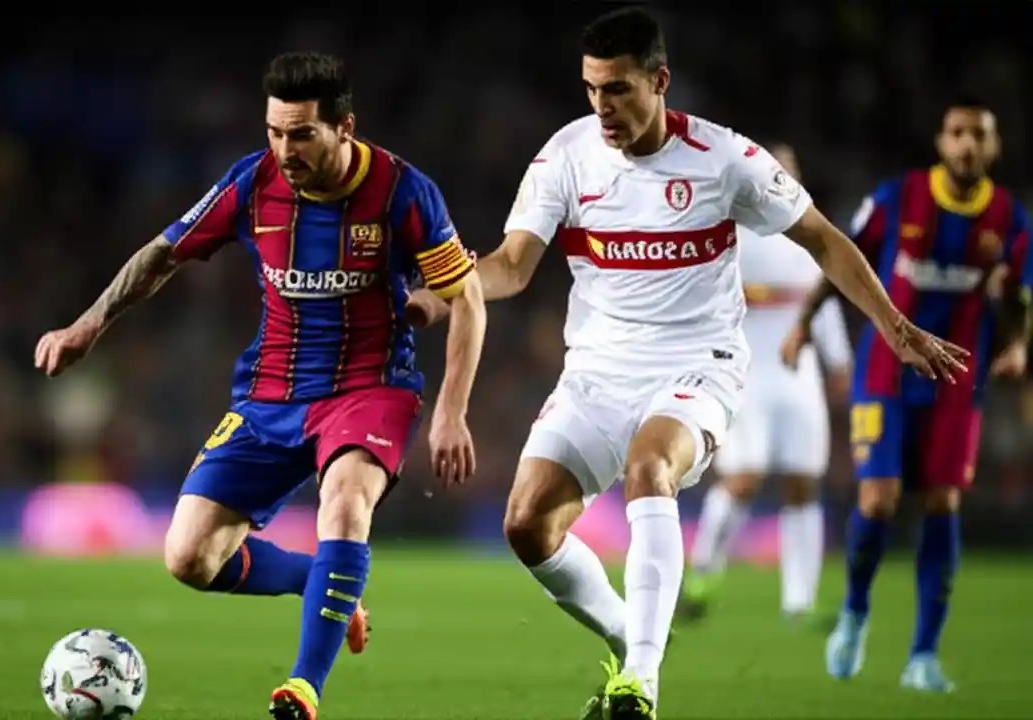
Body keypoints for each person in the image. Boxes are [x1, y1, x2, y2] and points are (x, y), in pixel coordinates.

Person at [409, 8, 966, 719]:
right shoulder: (567, 156)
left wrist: (892, 326)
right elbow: (512, 267)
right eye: (591, 89)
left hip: (697, 363)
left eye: (618, 90)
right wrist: (442, 293)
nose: (602, 107)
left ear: (660, 80)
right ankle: (632, 635)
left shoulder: (725, 159)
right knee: (527, 526)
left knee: (651, 468)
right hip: (598, 369)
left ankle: (641, 682)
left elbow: (824, 239)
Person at [34, 51, 487, 720]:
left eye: (301, 133)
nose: (285, 150)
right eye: (274, 132)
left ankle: (303, 688)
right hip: (272, 392)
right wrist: (88, 325)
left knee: (345, 505)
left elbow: (467, 298)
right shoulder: (253, 183)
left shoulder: (402, 190)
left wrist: (451, 412)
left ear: (344, 128)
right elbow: (165, 252)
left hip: (371, 386)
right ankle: (320, 582)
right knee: (189, 557)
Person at [783, 95, 1030, 693]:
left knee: (943, 504)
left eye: (979, 133)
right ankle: (855, 612)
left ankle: (923, 655)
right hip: (885, 373)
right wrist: (803, 322)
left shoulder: (1009, 219)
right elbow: (840, 259)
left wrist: (1019, 346)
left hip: (955, 383)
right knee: (878, 499)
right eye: (957, 132)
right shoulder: (900, 198)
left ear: (993, 147)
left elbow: (1018, 297)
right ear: (941, 142)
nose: (968, 143)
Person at [680, 143, 852, 623]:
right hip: (746, 376)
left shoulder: (812, 239)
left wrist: (839, 362)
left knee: (803, 483)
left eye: (789, 173)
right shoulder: (729, 238)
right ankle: (701, 578)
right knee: (743, 478)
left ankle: (799, 602)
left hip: (799, 380)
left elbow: (826, 303)